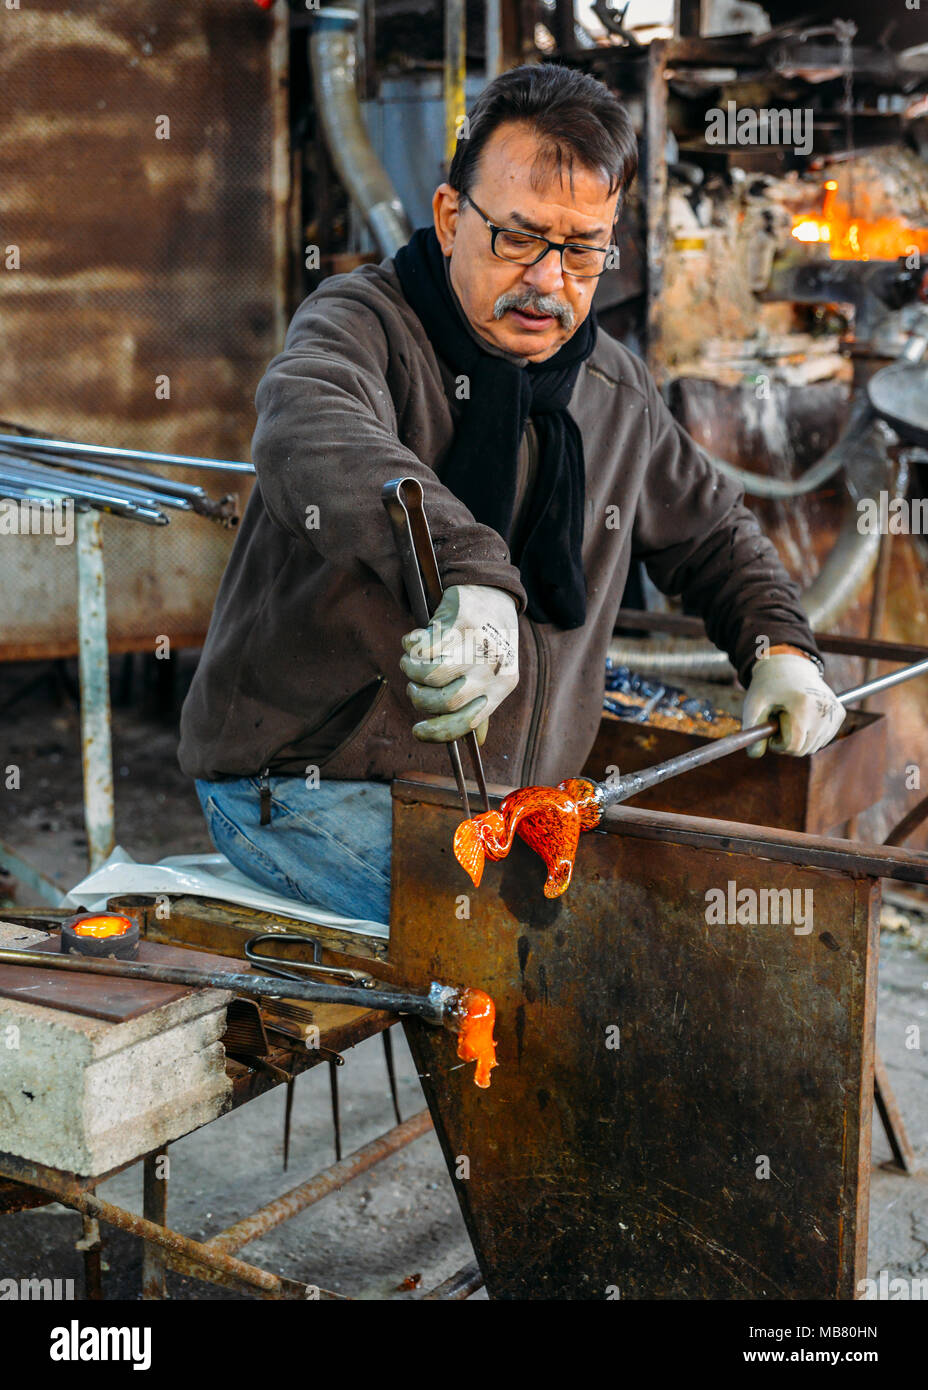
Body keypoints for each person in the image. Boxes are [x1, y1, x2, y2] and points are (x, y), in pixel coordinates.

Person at [178, 64, 844, 925]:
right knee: (547, 946)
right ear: (452, 217)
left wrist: (780, 651)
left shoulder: (611, 388)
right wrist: (472, 571)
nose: (548, 281)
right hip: (300, 787)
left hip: (506, 802)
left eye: (581, 250)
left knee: (662, 927)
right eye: (519, 239)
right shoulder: (363, 323)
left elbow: (714, 536)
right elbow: (307, 426)